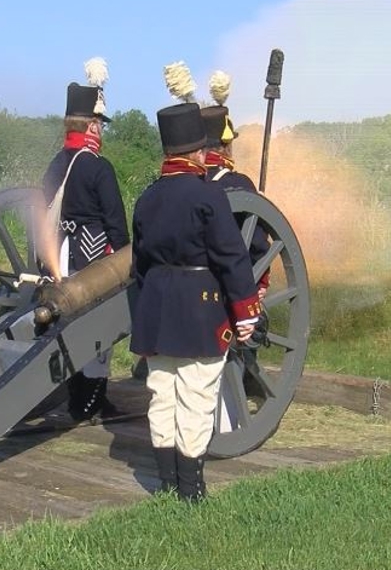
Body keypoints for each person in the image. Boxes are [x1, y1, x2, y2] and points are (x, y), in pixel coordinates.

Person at [129, 101, 260, 502]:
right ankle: (192, 489)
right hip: (199, 309)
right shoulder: (208, 196)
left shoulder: (147, 198)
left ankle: (166, 484)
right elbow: (232, 258)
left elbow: (140, 265)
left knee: (162, 394)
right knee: (197, 396)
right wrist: (246, 312)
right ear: (198, 152)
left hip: (156, 309)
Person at [41, 58, 130, 422]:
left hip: (58, 256)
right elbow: (115, 224)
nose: (102, 130)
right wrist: (125, 258)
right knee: (99, 332)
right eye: (100, 123)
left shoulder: (55, 163)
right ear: (93, 124)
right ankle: (90, 402)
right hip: (93, 258)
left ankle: (74, 394)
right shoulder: (97, 166)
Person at [199, 72, 272, 405]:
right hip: (228, 287)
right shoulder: (238, 184)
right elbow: (257, 244)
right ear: (227, 143)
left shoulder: (190, 181)